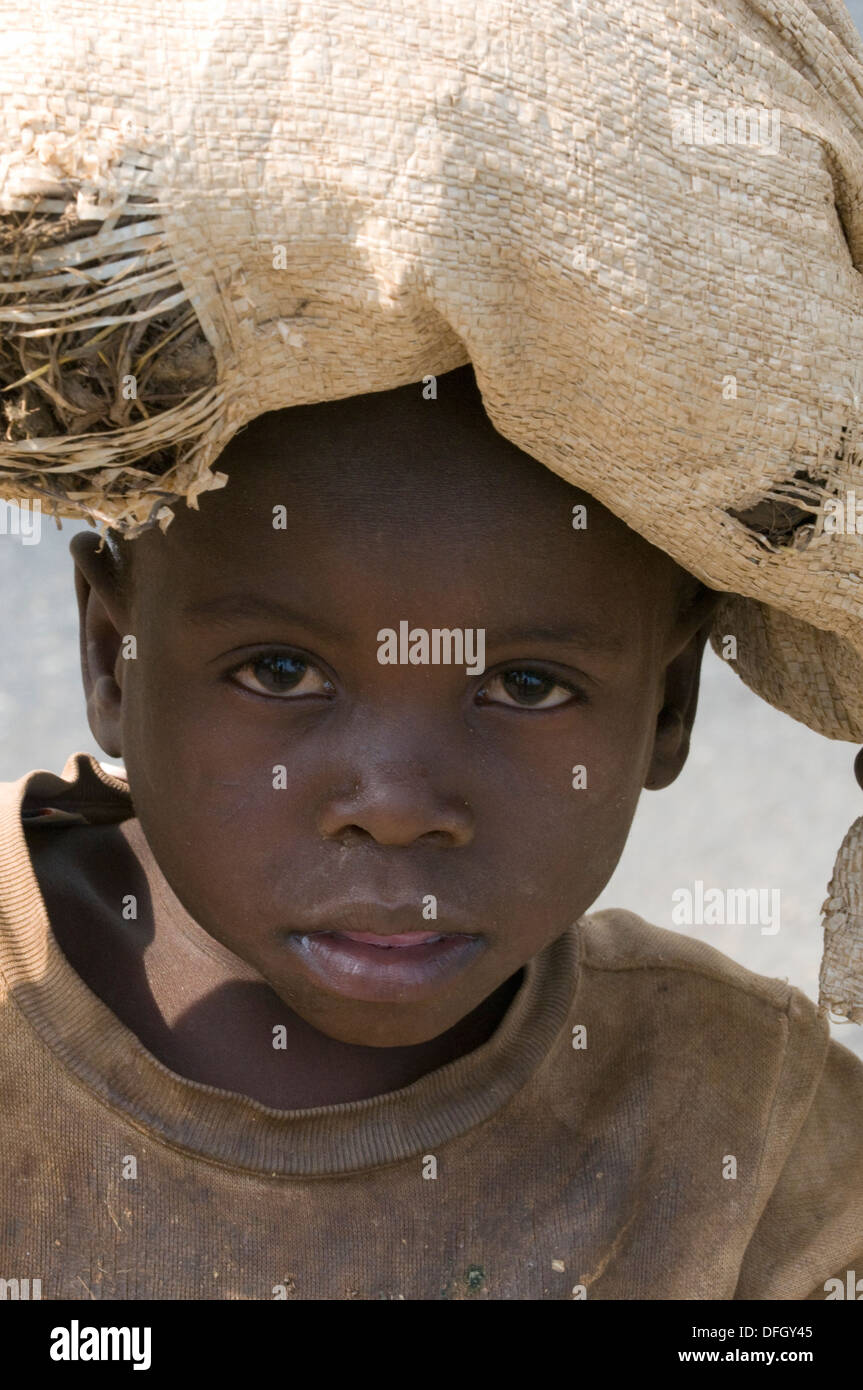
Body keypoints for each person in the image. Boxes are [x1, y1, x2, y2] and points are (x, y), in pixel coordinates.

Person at [0, 363, 860, 1300]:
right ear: (110, 661)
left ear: (667, 705)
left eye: (526, 686)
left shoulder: (749, 1127)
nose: (398, 807)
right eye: (281, 672)